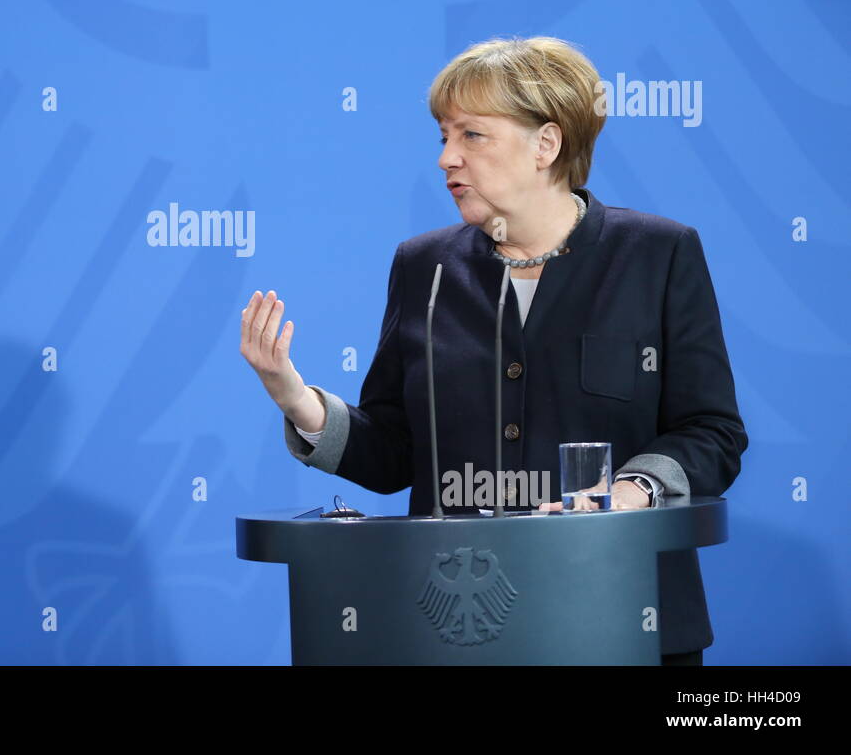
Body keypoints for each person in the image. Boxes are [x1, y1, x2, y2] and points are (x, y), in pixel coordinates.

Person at [239, 36, 746, 665]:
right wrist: (297, 399)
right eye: (443, 136)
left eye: (472, 136)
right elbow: (395, 452)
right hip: (454, 627)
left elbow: (712, 432)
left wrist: (634, 487)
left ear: (546, 145)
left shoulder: (657, 255)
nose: (447, 158)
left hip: (623, 618)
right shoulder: (422, 266)